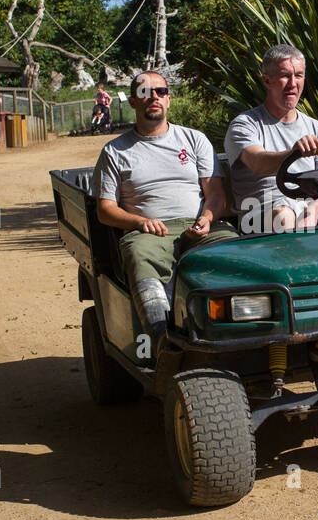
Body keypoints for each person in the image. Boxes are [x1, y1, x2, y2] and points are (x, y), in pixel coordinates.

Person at [95, 72, 236, 344]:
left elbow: (216, 194)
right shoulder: (114, 151)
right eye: (146, 92)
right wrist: (138, 222)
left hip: (200, 225)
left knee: (232, 248)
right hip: (150, 233)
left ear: (169, 99)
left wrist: (207, 217)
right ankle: (163, 342)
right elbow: (104, 209)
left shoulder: (194, 140)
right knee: (138, 253)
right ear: (134, 102)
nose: (154, 98)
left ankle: (239, 333)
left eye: (160, 92)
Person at [224, 44, 318, 233]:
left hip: (309, 209)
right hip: (261, 212)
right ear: (267, 80)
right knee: (285, 216)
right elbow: (257, 163)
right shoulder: (245, 124)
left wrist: (315, 208)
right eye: (285, 75)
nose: (293, 83)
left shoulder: (316, 128)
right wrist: (294, 153)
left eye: (299, 75)